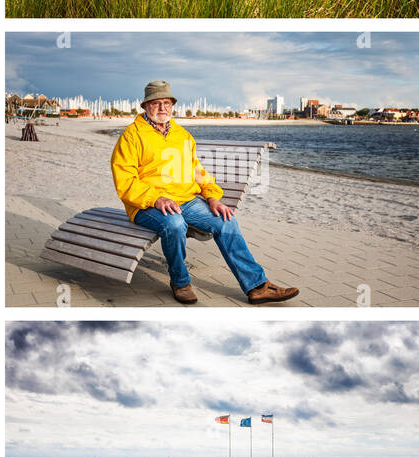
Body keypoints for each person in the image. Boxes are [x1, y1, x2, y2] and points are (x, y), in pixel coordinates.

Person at [111, 80, 299, 305]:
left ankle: (257, 286)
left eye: (166, 103)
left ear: (172, 105)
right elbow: (124, 180)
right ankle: (180, 282)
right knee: (175, 224)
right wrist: (156, 198)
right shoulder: (132, 136)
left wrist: (212, 197)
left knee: (225, 220)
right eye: (156, 103)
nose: (162, 108)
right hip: (146, 204)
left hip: (186, 199)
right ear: (145, 106)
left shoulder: (182, 135)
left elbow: (196, 171)